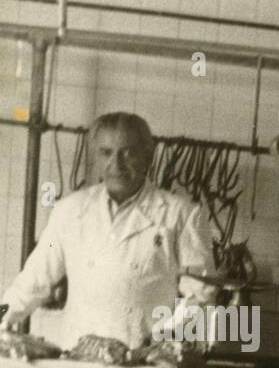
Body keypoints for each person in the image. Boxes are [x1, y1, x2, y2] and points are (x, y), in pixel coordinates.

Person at [1, 112, 215, 348]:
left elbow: (201, 297)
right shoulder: (68, 211)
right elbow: (32, 281)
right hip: (78, 358)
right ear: (95, 158)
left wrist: (166, 342)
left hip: (145, 363)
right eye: (106, 153)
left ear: (148, 156)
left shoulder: (182, 215)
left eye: (128, 152)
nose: (116, 164)